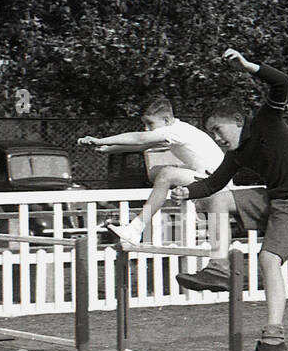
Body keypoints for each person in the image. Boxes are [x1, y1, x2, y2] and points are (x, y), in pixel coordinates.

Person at [170, 48, 288, 351]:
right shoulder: (237, 154)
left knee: (268, 259)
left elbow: (282, 82)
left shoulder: (266, 121)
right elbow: (213, 184)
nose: (217, 138)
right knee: (216, 198)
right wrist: (187, 192)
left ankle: (274, 337)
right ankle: (219, 268)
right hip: (276, 197)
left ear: (239, 121)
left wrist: (247, 66)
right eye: (212, 133)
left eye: (219, 130)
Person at [78, 97, 233, 266]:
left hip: (215, 182)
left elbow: (139, 139)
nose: (147, 129)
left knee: (166, 173)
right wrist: (108, 149)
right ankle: (156, 218)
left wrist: (102, 140)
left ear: (166, 120)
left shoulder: (177, 131)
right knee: (158, 172)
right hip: (209, 178)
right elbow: (142, 146)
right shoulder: (175, 129)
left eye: (150, 124)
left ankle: (136, 228)